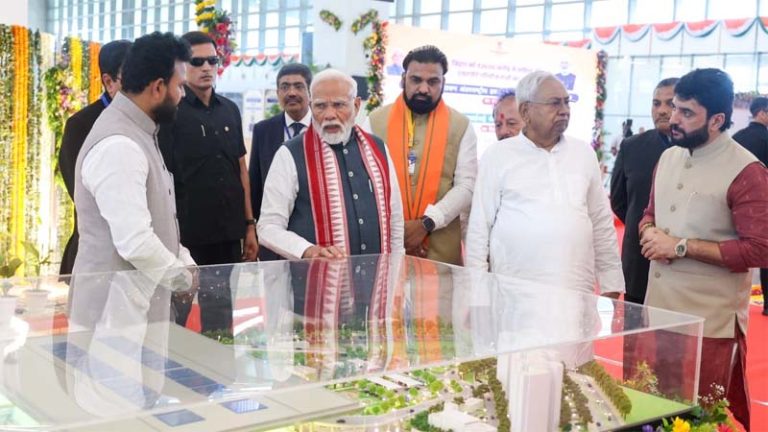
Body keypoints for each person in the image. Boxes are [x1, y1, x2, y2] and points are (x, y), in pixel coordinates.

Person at [639, 68, 768, 428]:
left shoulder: (747, 170)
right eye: (673, 108)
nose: (672, 118)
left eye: (686, 112)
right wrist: (648, 231)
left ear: (717, 120)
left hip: (709, 326)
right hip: (658, 314)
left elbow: (760, 249)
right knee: (653, 410)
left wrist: (679, 246)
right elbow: (649, 214)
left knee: (700, 419)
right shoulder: (669, 157)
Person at [465, 71, 624, 298]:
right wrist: (477, 295)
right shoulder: (497, 156)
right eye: (554, 103)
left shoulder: (583, 153)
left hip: (574, 292)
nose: (564, 110)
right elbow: (479, 230)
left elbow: (600, 221)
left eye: (567, 102)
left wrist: (611, 283)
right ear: (526, 112)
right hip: (514, 296)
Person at [72, 32, 195, 278]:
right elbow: (136, 242)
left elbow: (159, 218)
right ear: (158, 87)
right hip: (112, 310)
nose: (183, 95)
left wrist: (184, 259)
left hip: (135, 304)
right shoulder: (119, 144)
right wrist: (182, 278)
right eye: (180, 86)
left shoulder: (141, 130)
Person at [157, 31, 256, 331]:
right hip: (185, 237)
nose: (205, 67)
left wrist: (250, 225)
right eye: (196, 61)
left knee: (221, 317)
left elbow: (241, 168)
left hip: (226, 235)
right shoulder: (170, 113)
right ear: (182, 65)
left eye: (211, 60)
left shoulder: (230, 109)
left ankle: (221, 374)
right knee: (176, 317)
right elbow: (163, 177)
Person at [257, 69, 404, 259]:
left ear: (357, 106)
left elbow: (395, 219)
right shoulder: (289, 154)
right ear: (311, 106)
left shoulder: (378, 148)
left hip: (375, 280)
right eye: (320, 106)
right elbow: (268, 227)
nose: (329, 115)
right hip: (314, 281)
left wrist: (396, 268)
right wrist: (307, 250)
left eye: (338, 105)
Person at [366, 45, 477, 265]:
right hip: (387, 247)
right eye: (416, 80)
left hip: (440, 252)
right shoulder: (374, 122)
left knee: (440, 300)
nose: (424, 89)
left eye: (433, 82)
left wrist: (427, 223)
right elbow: (365, 183)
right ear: (403, 79)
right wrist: (400, 229)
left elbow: (467, 186)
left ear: (443, 83)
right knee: (386, 299)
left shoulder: (461, 126)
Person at [57, 40, 132, 276]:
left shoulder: (150, 122)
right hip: (98, 253)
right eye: (132, 76)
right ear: (109, 82)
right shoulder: (81, 125)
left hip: (138, 253)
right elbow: (79, 189)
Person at [610, 78, 678, 305]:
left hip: (684, 266)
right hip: (639, 260)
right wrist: (644, 230)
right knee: (635, 337)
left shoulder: (698, 150)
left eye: (671, 104)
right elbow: (619, 201)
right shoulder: (631, 146)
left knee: (678, 339)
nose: (662, 111)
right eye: (656, 103)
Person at [248, 63, 312, 260]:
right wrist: (253, 229)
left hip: (312, 241)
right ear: (277, 93)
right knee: (275, 291)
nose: (291, 92)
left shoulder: (323, 129)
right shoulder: (263, 130)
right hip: (274, 241)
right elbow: (255, 184)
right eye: (285, 87)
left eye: (298, 86)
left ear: (310, 91)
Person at [731, 96, 768, 316]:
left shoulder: (737, 138)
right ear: (762, 113)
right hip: (762, 205)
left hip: (733, 203)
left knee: (734, 248)